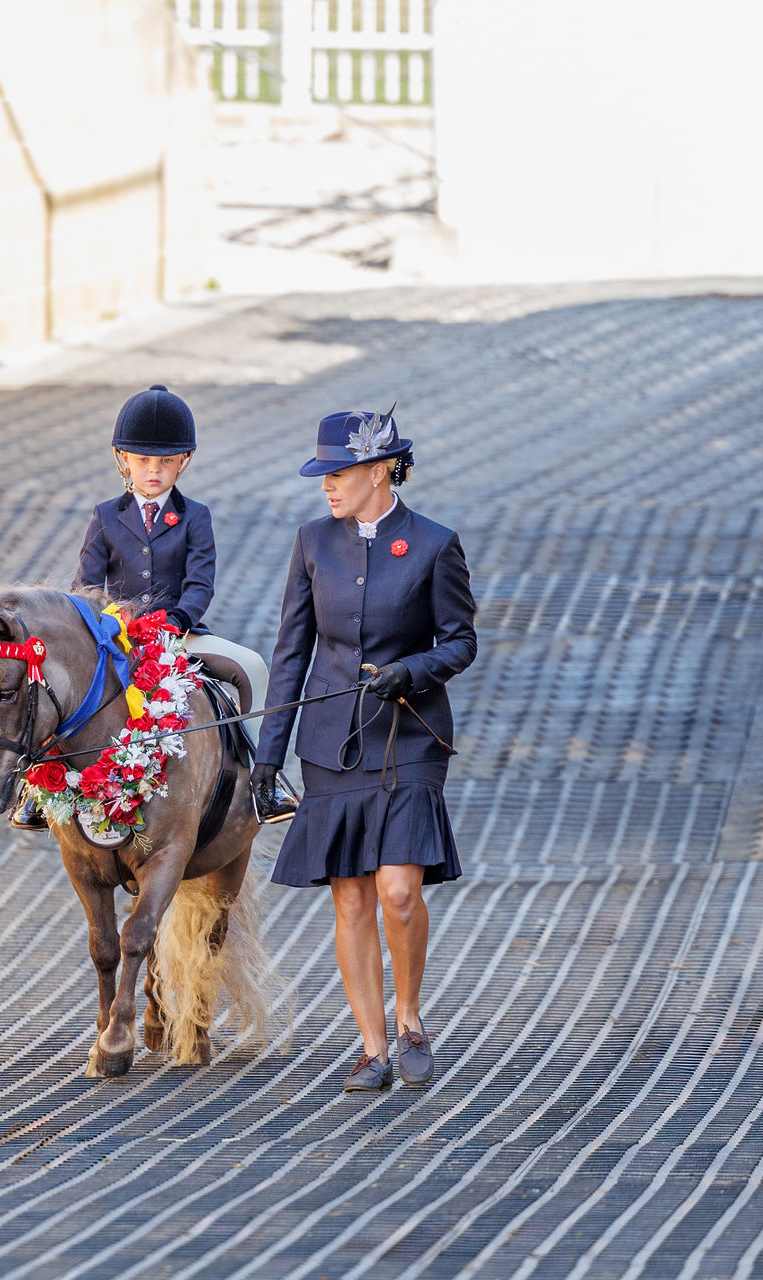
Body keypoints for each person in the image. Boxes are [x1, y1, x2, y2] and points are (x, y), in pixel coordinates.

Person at [251, 408, 476, 1091]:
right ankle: (373, 1049)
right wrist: (268, 757)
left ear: (379, 471)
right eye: (322, 476)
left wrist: (412, 670)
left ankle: (410, 1020)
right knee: (351, 900)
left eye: (338, 474)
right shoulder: (312, 542)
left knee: (399, 892)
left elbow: (460, 642)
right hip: (331, 744)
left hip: (409, 734)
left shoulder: (435, 544)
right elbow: (291, 654)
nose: (326, 486)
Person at [12, 384, 298, 828]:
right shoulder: (106, 516)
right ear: (123, 459)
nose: (154, 471)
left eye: (165, 461)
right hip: (116, 637)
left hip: (180, 635)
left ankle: (265, 781)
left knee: (254, 667)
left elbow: (200, 583)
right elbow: (86, 584)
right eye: (144, 460)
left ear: (183, 461)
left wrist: (176, 620)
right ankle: (35, 787)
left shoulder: (195, 517)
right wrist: (107, 620)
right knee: (55, 681)